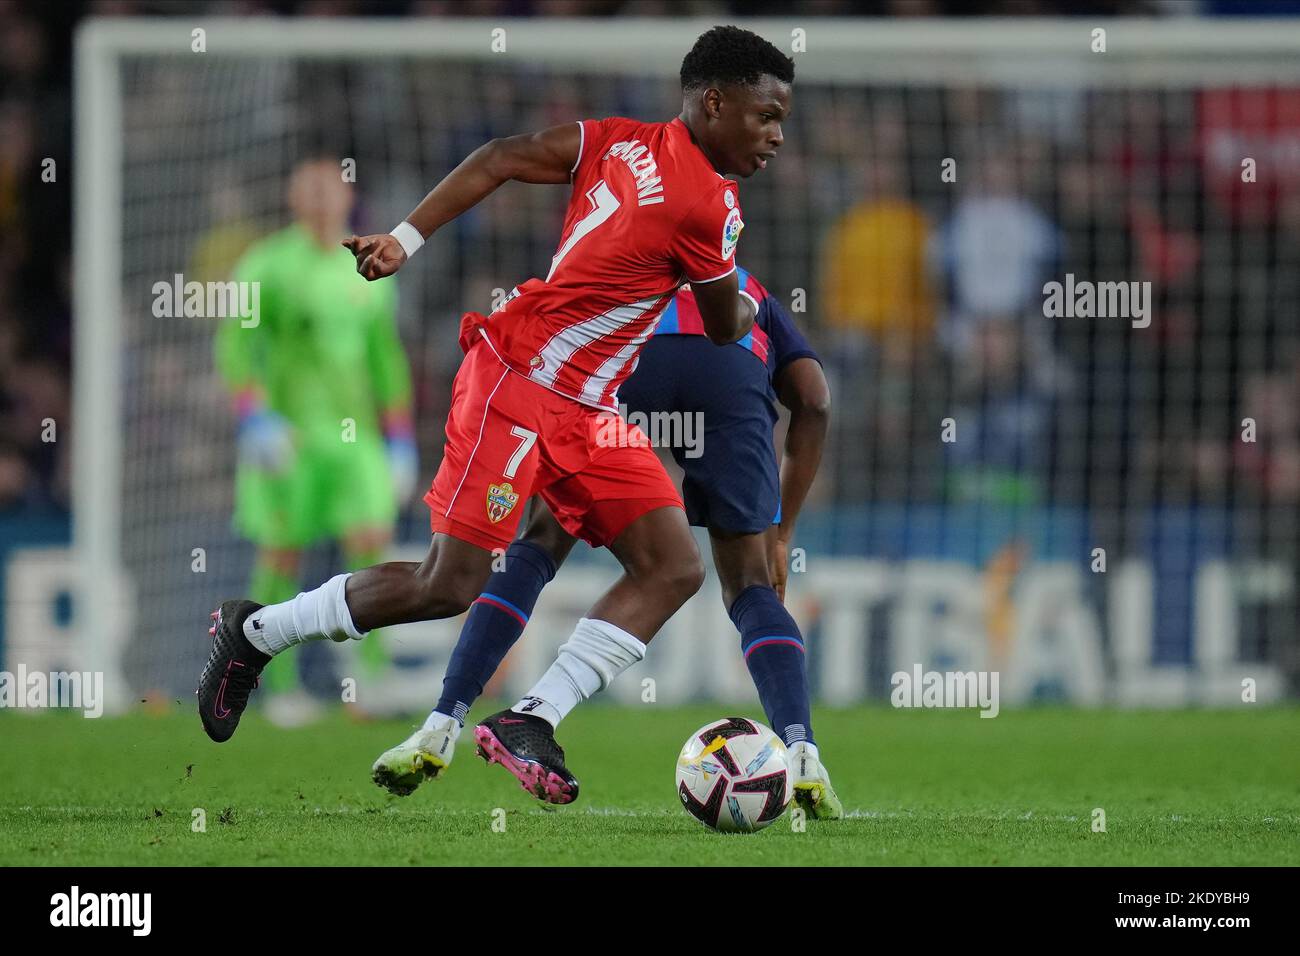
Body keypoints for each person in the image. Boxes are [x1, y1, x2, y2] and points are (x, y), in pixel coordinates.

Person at [197, 26, 795, 807]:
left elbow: (504, 155)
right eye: (766, 115)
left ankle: (529, 719)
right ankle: (256, 633)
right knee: (447, 585)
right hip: (516, 387)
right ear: (714, 102)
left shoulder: (615, 141)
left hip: (586, 409)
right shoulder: (709, 203)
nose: (777, 136)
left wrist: (406, 239)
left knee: (674, 566)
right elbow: (723, 326)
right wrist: (752, 302)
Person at [373, 265, 842, 817]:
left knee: (543, 537)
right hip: (728, 368)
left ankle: (442, 723)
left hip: (628, 357)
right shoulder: (748, 288)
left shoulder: (616, 258)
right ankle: (802, 748)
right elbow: (813, 399)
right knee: (750, 584)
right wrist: (782, 533)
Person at [213, 158, 417, 726]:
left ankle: (367, 680)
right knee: (282, 552)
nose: (324, 200)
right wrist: (254, 418)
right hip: (289, 434)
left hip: (355, 441)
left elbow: (385, 356)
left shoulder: (369, 268)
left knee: (370, 544)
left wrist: (400, 437)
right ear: (294, 198)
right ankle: (277, 685)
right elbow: (235, 347)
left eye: (333, 189)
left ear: (350, 196)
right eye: (312, 190)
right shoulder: (267, 265)